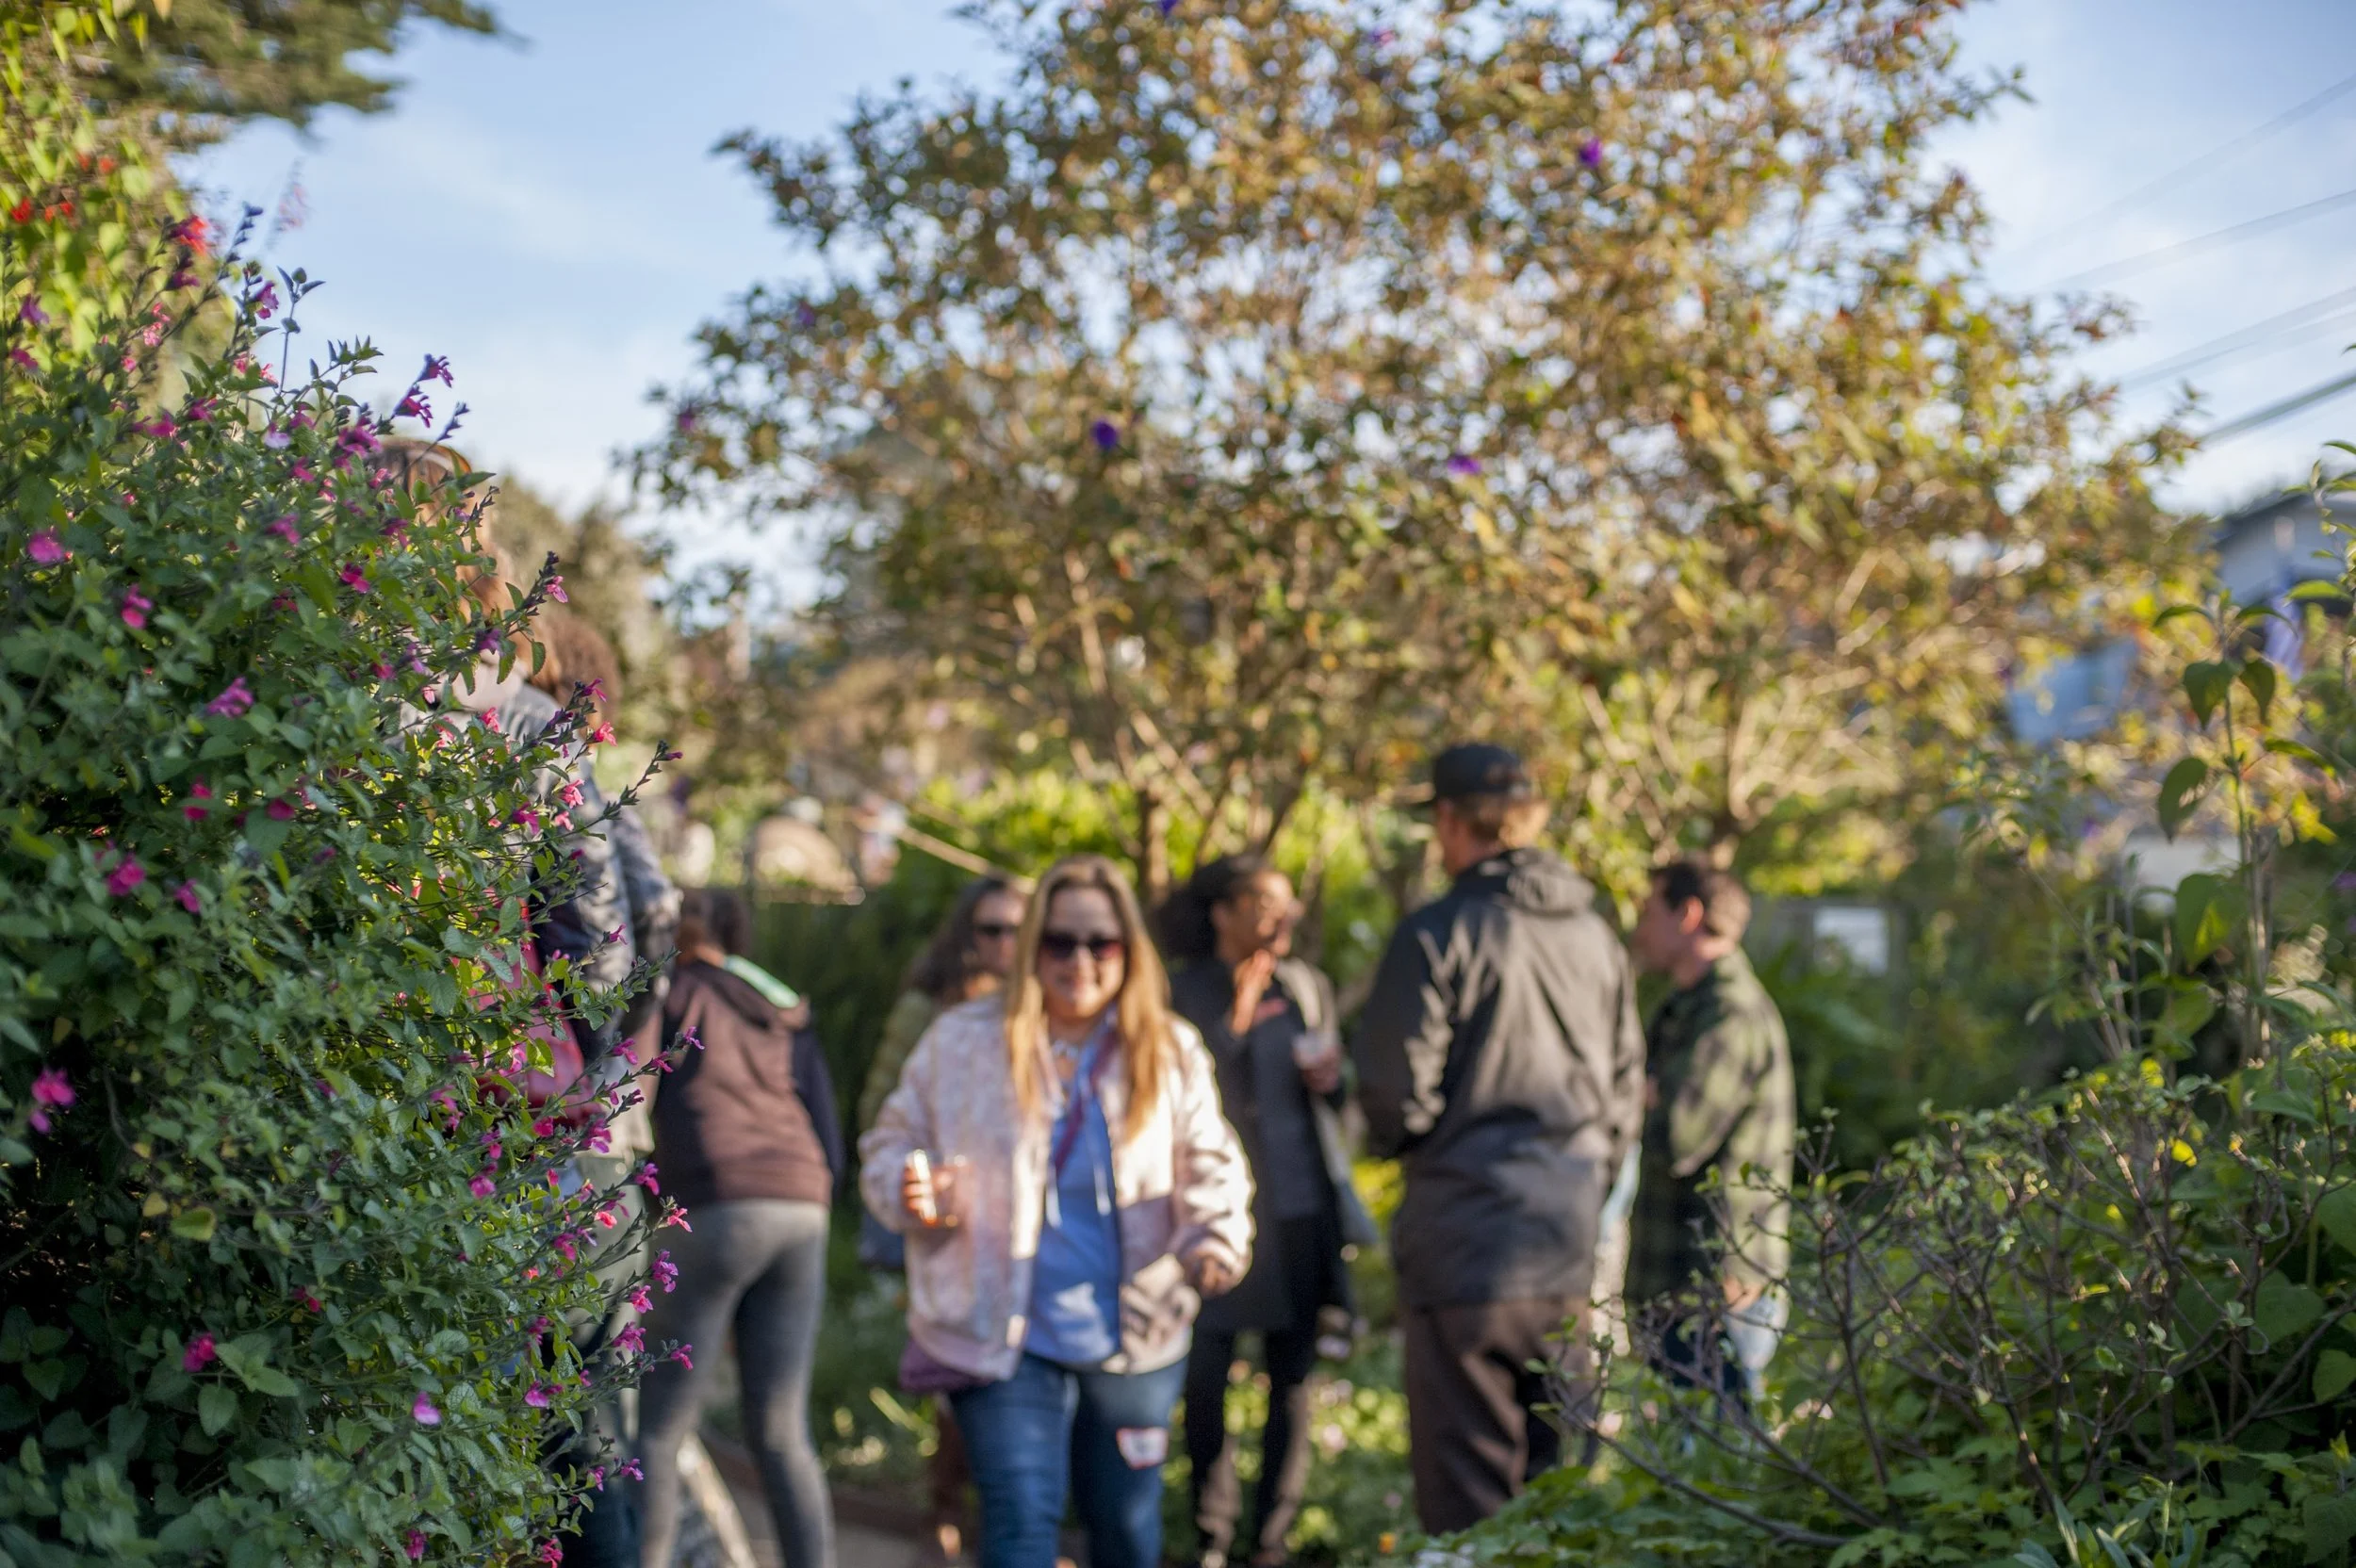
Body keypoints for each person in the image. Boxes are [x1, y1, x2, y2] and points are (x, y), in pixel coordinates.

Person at [859, 855, 1255, 1568]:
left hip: (1137, 1334)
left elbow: (1210, 1159)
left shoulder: (1167, 1049)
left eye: (1100, 942)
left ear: (1128, 950)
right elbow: (891, 1142)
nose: (1081, 959)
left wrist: (1216, 1235)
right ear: (1032, 946)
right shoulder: (964, 1040)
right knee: (1018, 1525)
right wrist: (907, 1188)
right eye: (1059, 942)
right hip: (1000, 1335)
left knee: (1127, 1534)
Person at [1351, 743, 1644, 1535]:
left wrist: (1414, 1140)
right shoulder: (1596, 937)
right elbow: (1624, 1094)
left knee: (1470, 1501)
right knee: (1559, 1494)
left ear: (1450, 822)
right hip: (1565, 1246)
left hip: (1466, 1245)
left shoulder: (1437, 933)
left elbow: (1391, 1095)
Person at [1162, 857, 1370, 1568]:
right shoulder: (1182, 989)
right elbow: (1182, 1092)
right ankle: (1211, 1537)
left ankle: (1269, 1543)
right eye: (1264, 903)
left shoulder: (1305, 986)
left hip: (1302, 1209)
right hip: (1220, 1219)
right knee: (1207, 1380)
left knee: (1293, 1381)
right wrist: (1239, 1013)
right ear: (1223, 911)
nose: (1283, 918)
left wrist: (1334, 1079)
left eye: (1289, 904)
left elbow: (1340, 1098)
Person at [634, 890, 844, 1568]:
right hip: (802, 1203)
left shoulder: (672, 993)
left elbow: (631, 1101)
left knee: (659, 1427)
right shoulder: (777, 1006)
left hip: (719, 1201)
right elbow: (826, 1127)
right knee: (782, 1428)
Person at [855, 874, 1027, 1565]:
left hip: (1026, 1235)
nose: (1006, 944)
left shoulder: (1050, 1011)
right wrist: (923, 1175)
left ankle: (1004, 1517)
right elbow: (880, 1113)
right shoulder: (932, 1012)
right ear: (966, 933)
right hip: (951, 1228)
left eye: (1020, 929)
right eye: (991, 930)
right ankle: (945, 1508)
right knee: (957, 1380)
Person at [1625, 857, 1795, 1403]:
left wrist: (1635, 1096)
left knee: (1724, 1471)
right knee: (1685, 1464)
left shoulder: (1729, 1012)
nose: (1640, 928)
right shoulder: (1686, 1007)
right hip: (1676, 1281)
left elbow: (1676, 1137)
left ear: (1689, 915)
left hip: (1717, 1289)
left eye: (1650, 912)